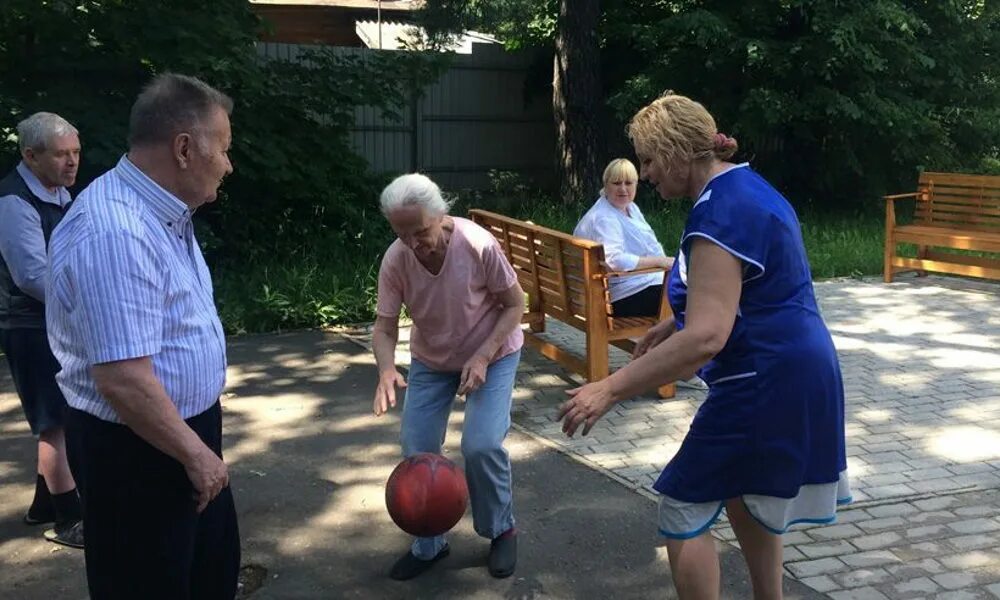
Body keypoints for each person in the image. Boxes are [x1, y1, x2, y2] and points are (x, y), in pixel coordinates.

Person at [558, 93, 850, 600]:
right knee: (743, 492)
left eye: (648, 160)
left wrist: (609, 389)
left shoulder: (718, 212)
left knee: (683, 504)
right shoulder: (748, 187)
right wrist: (672, 326)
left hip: (763, 378)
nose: (645, 174)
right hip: (797, 367)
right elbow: (748, 292)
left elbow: (710, 336)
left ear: (675, 151)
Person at [46, 73, 240, 599]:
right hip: (139, 449)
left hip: (179, 434)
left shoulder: (168, 216)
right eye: (222, 149)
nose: (228, 163)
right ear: (183, 149)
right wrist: (196, 457)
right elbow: (124, 381)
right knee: (146, 584)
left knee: (207, 575)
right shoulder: (115, 231)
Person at [372, 173, 524, 581]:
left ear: (441, 215)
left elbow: (515, 305)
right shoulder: (397, 258)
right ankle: (429, 542)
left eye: (420, 231)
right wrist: (387, 368)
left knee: (481, 444)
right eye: (401, 233)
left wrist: (482, 356)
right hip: (433, 360)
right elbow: (384, 327)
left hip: (492, 352)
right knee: (416, 445)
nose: (412, 243)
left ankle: (500, 529)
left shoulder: (477, 244)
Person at [0, 112, 84, 548]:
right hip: (28, 324)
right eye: (60, 155)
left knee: (59, 414)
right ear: (30, 156)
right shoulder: (14, 202)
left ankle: (43, 506)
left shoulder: (58, 193)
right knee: (56, 421)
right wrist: (88, 302)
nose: (71, 163)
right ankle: (70, 520)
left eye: (75, 152)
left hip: (49, 320)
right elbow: (32, 275)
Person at [573, 158, 673, 318]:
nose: (623, 189)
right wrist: (660, 262)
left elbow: (652, 245)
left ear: (636, 185)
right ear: (606, 185)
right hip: (620, 297)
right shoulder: (604, 218)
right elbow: (615, 261)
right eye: (617, 183)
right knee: (693, 300)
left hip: (639, 285)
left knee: (695, 290)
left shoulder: (630, 208)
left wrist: (669, 263)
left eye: (628, 183)